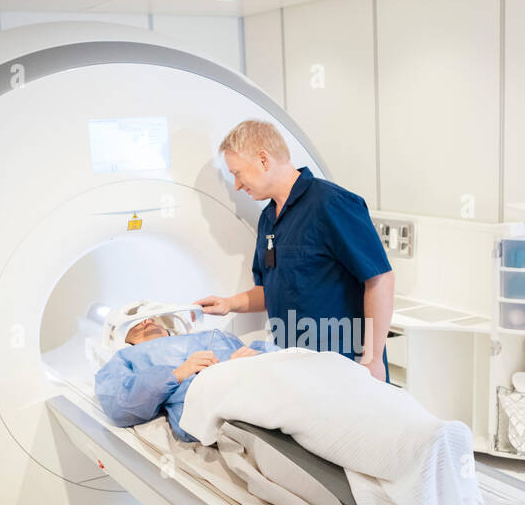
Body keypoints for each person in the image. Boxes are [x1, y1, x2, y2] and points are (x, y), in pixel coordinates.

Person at [196, 120, 395, 381]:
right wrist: (228, 304)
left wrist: (373, 358)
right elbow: (272, 289)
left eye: (238, 173)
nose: (236, 185)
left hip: (344, 363)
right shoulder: (269, 219)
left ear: (264, 160)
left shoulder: (331, 204)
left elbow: (380, 279)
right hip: (294, 364)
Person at [94, 313, 278, 442]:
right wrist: (178, 373)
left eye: (150, 318)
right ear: (124, 340)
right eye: (136, 324)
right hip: (230, 405)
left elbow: (275, 355)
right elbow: (120, 404)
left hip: (266, 378)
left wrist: (258, 357)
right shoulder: (127, 357)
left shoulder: (208, 335)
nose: (146, 320)